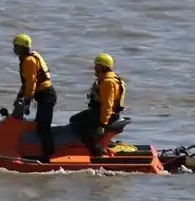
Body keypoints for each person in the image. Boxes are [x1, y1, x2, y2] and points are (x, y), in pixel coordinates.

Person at [66, 53, 126, 159]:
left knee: (76, 121)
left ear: (104, 67)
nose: (94, 68)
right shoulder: (109, 78)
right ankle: (99, 143)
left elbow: (107, 105)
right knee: (78, 118)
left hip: (104, 115)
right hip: (103, 112)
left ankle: (95, 150)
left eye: (97, 65)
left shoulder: (108, 82)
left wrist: (103, 124)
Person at [9, 33, 57, 162]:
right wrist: (20, 97)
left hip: (47, 96)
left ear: (22, 47)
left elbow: (31, 83)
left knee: (43, 127)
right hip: (42, 95)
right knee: (37, 124)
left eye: (16, 46)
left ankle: (49, 155)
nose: (14, 49)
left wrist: (27, 100)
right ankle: (37, 149)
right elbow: (26, 84)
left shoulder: (29, 61)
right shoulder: (26, 59)